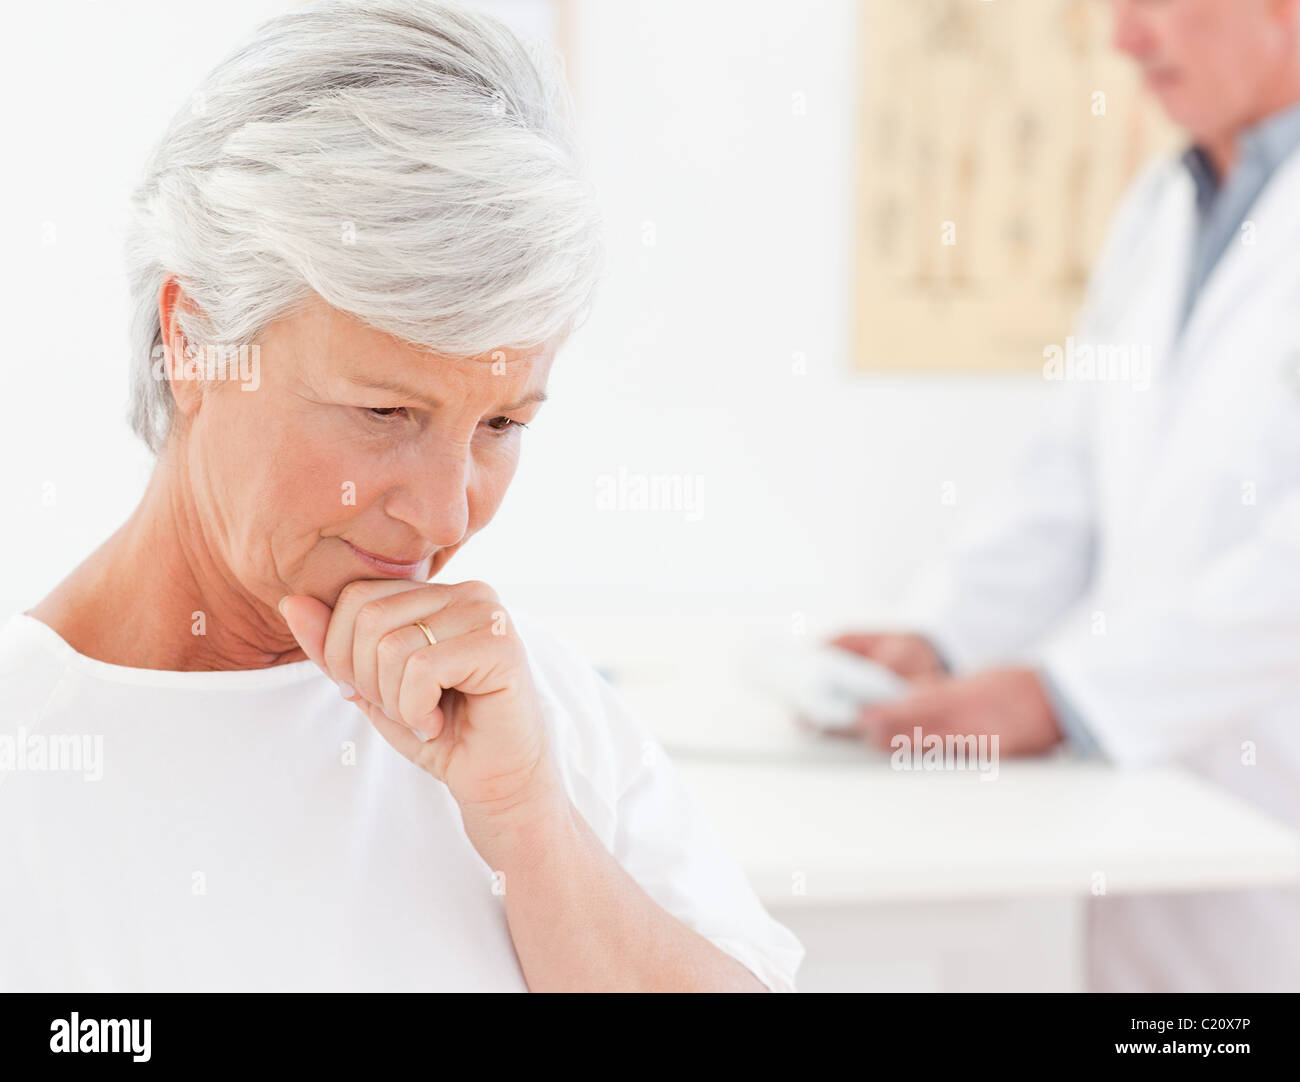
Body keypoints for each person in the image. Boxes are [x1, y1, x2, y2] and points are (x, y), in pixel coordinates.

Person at [0, 0, 804, 992]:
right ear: (194, 337)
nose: (446, 516)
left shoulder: (534, 718)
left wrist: (526, 822)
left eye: (502, 425)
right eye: (384, 411)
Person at [831, 0, 1300, 992]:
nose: (1124, 38)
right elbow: (1070, 476)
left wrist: (1064, 694)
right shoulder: (1160, 208)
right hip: (1159, 808)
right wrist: (943, 635)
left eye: (1155, 4)